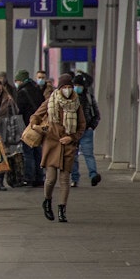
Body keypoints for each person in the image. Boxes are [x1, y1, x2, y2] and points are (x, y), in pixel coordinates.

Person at [29, 73, 86, 222]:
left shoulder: (76, 103)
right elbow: (36, 116)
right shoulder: (50, 101)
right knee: (50, 179)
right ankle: (47, 201)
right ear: (59, 88)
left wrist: (72, 137)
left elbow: (81, 125)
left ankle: (62, 209)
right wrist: (35, 126)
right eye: (64, 87)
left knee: (65, 179)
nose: (67, 90)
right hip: (51, 143)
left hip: (68, 145)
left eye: (69, 87)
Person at [69, 72, 103, 187]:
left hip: (85, 130)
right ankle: (75, 178)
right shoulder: (69, 98)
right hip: (73, 131)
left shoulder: (88, 98)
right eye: (75, 85)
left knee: (85, 155)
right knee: (74, 156)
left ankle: (93, 175)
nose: (77, 87)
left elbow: (97, 115)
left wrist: (91, 126)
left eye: (79, 85)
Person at [15, 69, 47, 187]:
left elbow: (19, 110)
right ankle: (40, 177)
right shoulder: (37, 89)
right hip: (38, 124)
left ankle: (29, 177)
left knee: (28, 153)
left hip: (27, 125)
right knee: (38, 151)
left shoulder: (22, 92)